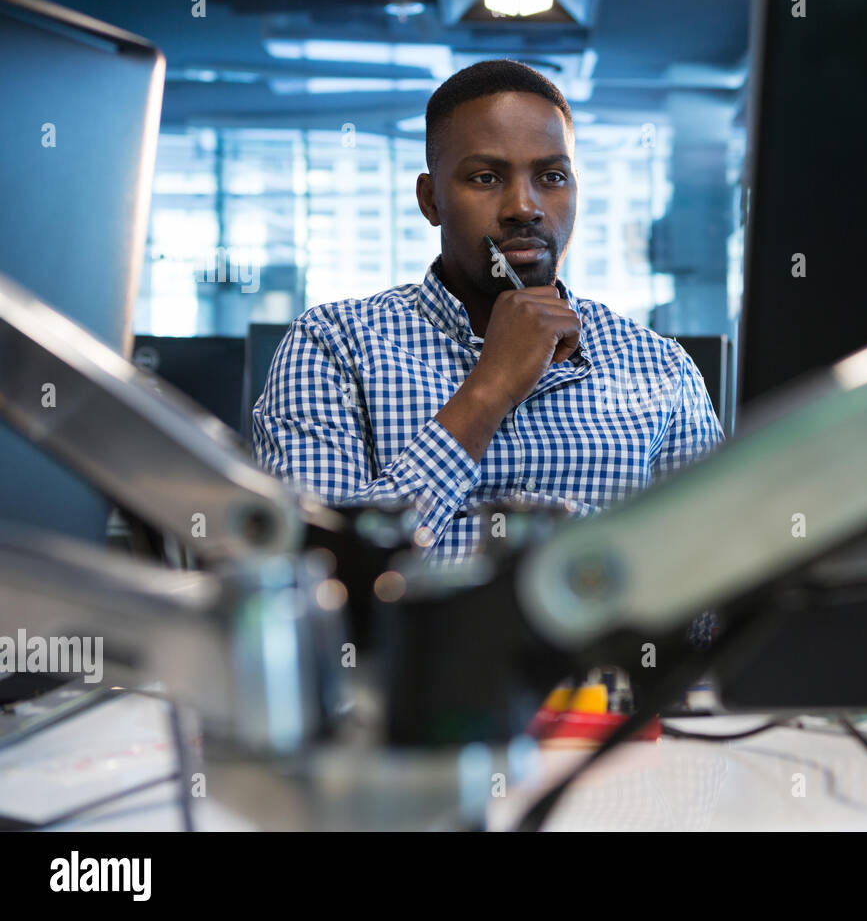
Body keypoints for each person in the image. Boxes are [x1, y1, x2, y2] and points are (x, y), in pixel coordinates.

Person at [252, 59, 725, 564]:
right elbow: (315, 571)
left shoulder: (659, 368)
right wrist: (491, 387)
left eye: (551, 176)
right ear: (430, 200)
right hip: (416, 644)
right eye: (486, 177)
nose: (524, 206)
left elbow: (714, 580)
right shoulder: (333, 345)